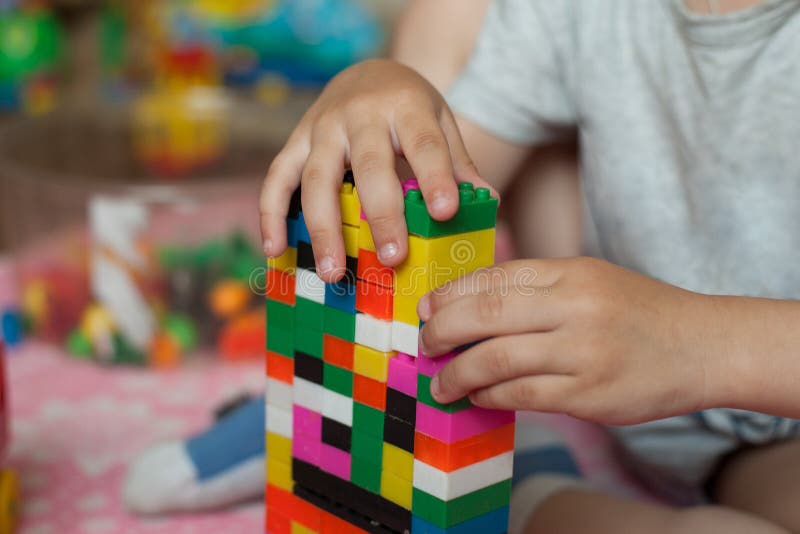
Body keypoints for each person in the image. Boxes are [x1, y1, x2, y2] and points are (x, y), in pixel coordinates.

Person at [260, 0, 800, 532]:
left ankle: (515, 494)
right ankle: (506, 493)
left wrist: (696, 344)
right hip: (693, 436)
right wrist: (372, 93)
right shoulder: (570, 15)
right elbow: (413, 219)